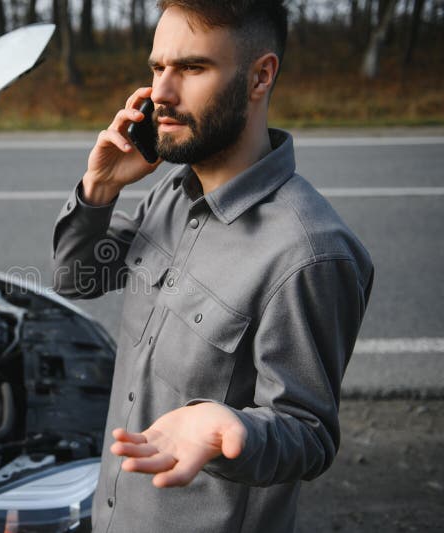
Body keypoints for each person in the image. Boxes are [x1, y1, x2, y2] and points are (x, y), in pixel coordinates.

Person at [50, 1, 374, 531]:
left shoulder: (309, 252)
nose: (162, 94)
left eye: (193, 68)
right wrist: (100, 189)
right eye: (158, 68)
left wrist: (234, 431)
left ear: (260, 76)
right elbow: (77, 278)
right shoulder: (170, 194)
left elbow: (310, 436)